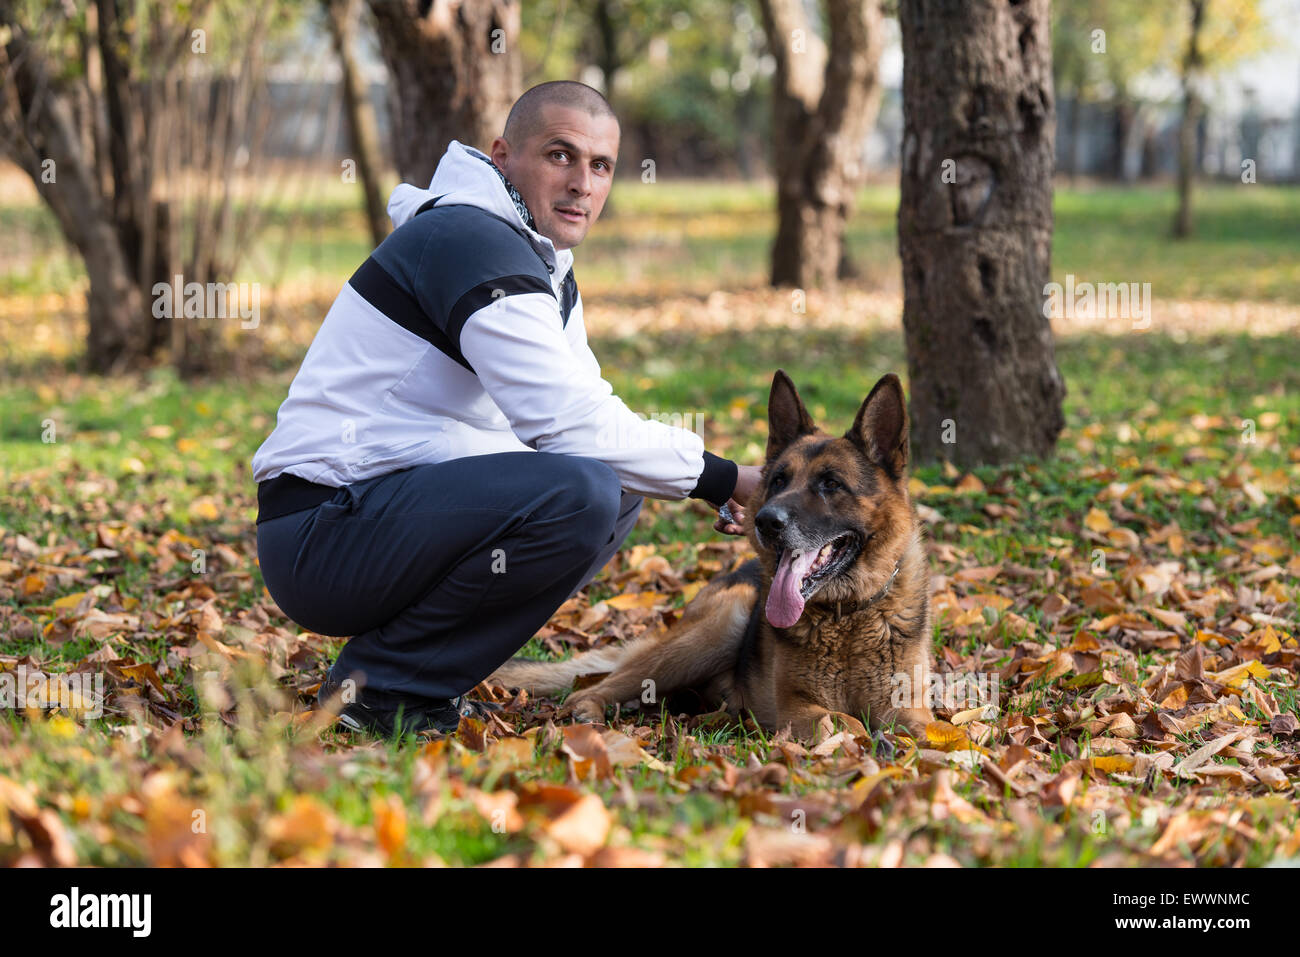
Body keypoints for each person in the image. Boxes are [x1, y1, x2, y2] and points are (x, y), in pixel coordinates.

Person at [252, 81, 761, 738]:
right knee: (581, 490)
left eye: (600, 165)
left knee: (615, 486)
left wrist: (701, 476)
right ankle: (382, 690)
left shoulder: (540, 260)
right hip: (321, 531)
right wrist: (727, 477)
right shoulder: (472, 240)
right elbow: (565, 424)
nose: (582, 182)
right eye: (560, 155)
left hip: (375, 516)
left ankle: (417, 678)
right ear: (502, 157)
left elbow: (590, 412)